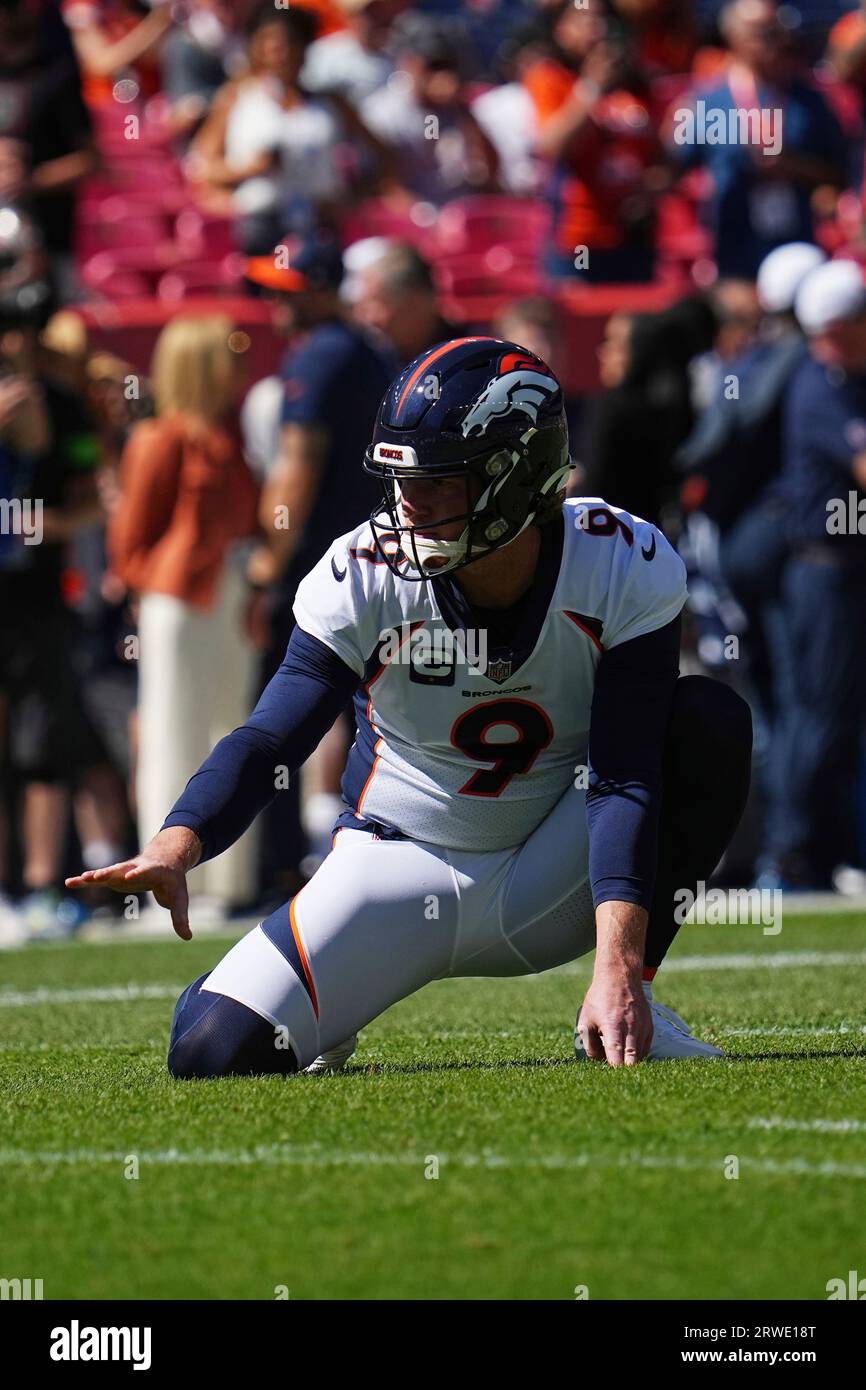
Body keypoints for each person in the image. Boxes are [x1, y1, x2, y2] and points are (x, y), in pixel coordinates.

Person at [68, 338, 752, 1077]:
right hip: (398, 863)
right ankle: (315, 1003)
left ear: (514, 477)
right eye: (400, 480)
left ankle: (637, 1000)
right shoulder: (365, 574)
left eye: (436, 482)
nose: (408, 505)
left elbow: (623, 776)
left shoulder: (617, 561)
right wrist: (180, 841)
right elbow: (272, 738)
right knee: (208, 1053)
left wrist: (618, 966)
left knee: (707, 720)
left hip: (556, 867)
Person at [242, 234, 395, 894]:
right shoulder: (365, 351)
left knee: (288, 715)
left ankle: (281, 862)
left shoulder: (325, 353)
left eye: (291, 291)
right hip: (373, 559)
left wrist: (269, 567)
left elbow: (298, 464)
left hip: (323, 570)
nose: (277, 306)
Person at [106, 315, 261, 915]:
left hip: (227, 595)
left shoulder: (226, 436)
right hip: (179, 600)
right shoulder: (159, 439)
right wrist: (163, 593)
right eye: (228, 357)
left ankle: (227, 882)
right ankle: (162, 876)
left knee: (233, 730)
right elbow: (129, 548)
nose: (241, 369)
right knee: (174, 731)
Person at [768, 258, 866, 889]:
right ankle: (791, 855)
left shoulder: (843, 379)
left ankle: (824, 849)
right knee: (818, 717)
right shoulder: (822, 383)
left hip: (844, 570)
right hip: (824, 571)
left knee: (835, 717)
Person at [189, 4, 390, 254]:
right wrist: (248, 168)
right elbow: (200, 168)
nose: (279, 55)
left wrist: (353, 198)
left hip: (320, 225)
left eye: (288, 45)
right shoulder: (237, 98)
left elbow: (384, 156)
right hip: (261, 224)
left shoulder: (331, 102)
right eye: (270, 46)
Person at [669, 0, 847, 278]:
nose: (776, 41)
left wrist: (793, 168)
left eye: (779, 31)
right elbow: (671, 171)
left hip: (798, 251)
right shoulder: (706, 103)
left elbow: (839, 173)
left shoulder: (810, 100)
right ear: (734, 38)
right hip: (734, 252)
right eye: (763, 33)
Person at [525, 0, 666, 283]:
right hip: (577, 239)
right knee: (580, 324)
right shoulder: (551, 78)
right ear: (561, 29)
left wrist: (649, 192)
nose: (597, 28)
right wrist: (592, 86)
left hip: (633, 237)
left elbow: (661, 158)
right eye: (585, 19)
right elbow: (553, 145)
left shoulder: (636, 84)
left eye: (603, 20)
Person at [349, 240, 459, 364]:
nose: (370, 319)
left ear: (416, 300)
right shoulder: (364, 361)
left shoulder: (467, 355)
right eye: (364, 306)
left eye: (377, 305)